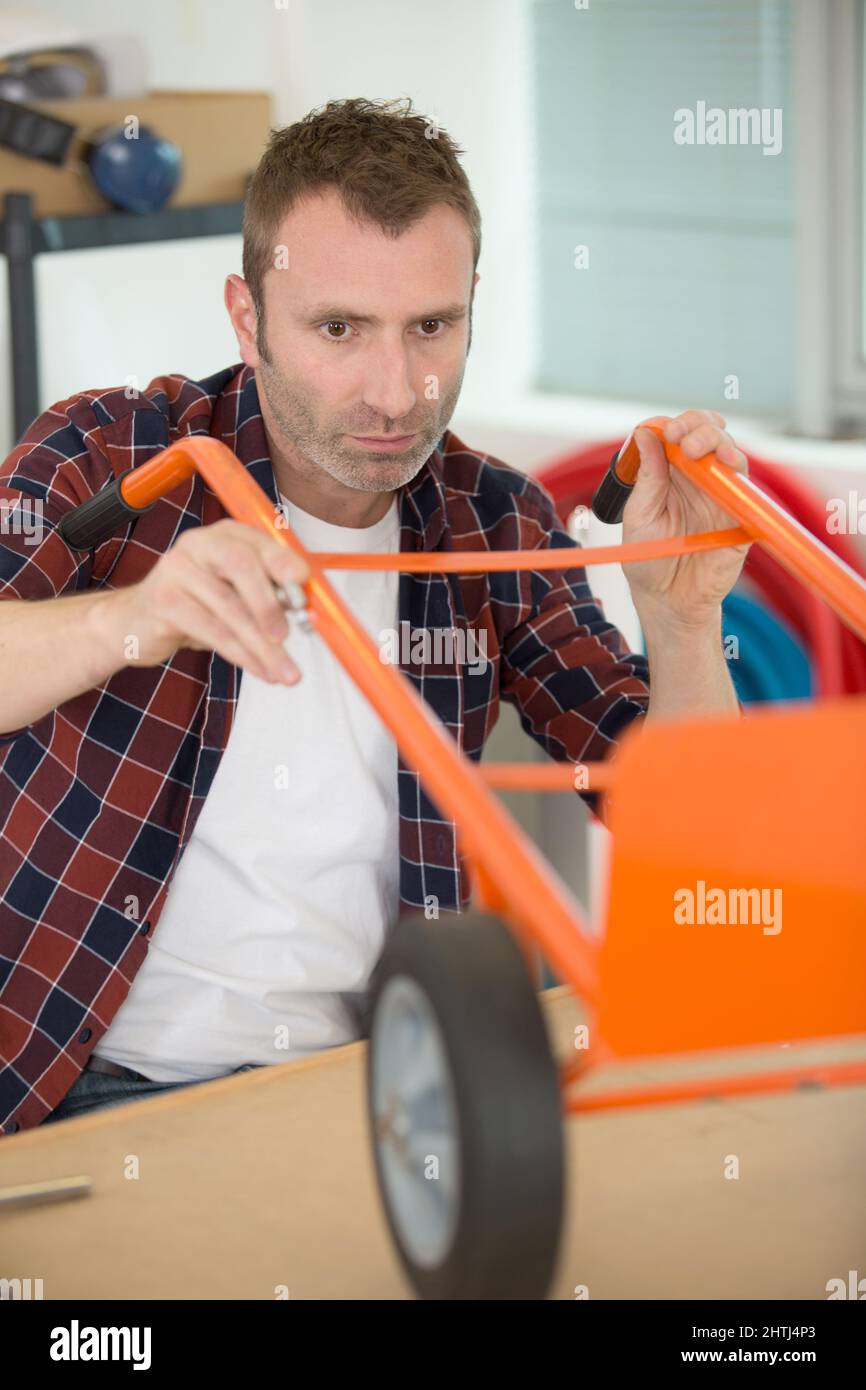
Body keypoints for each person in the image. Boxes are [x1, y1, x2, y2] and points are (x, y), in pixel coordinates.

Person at [0, 97, 748, 1135]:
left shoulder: (493, 519)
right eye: (339, 329)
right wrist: (133, 614)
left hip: (378, 1089)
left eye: (430, 327)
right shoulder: (109, 451)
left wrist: (680, 625)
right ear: (246, 312)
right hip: (84, 1085)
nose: (394, 393)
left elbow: (696, 834)